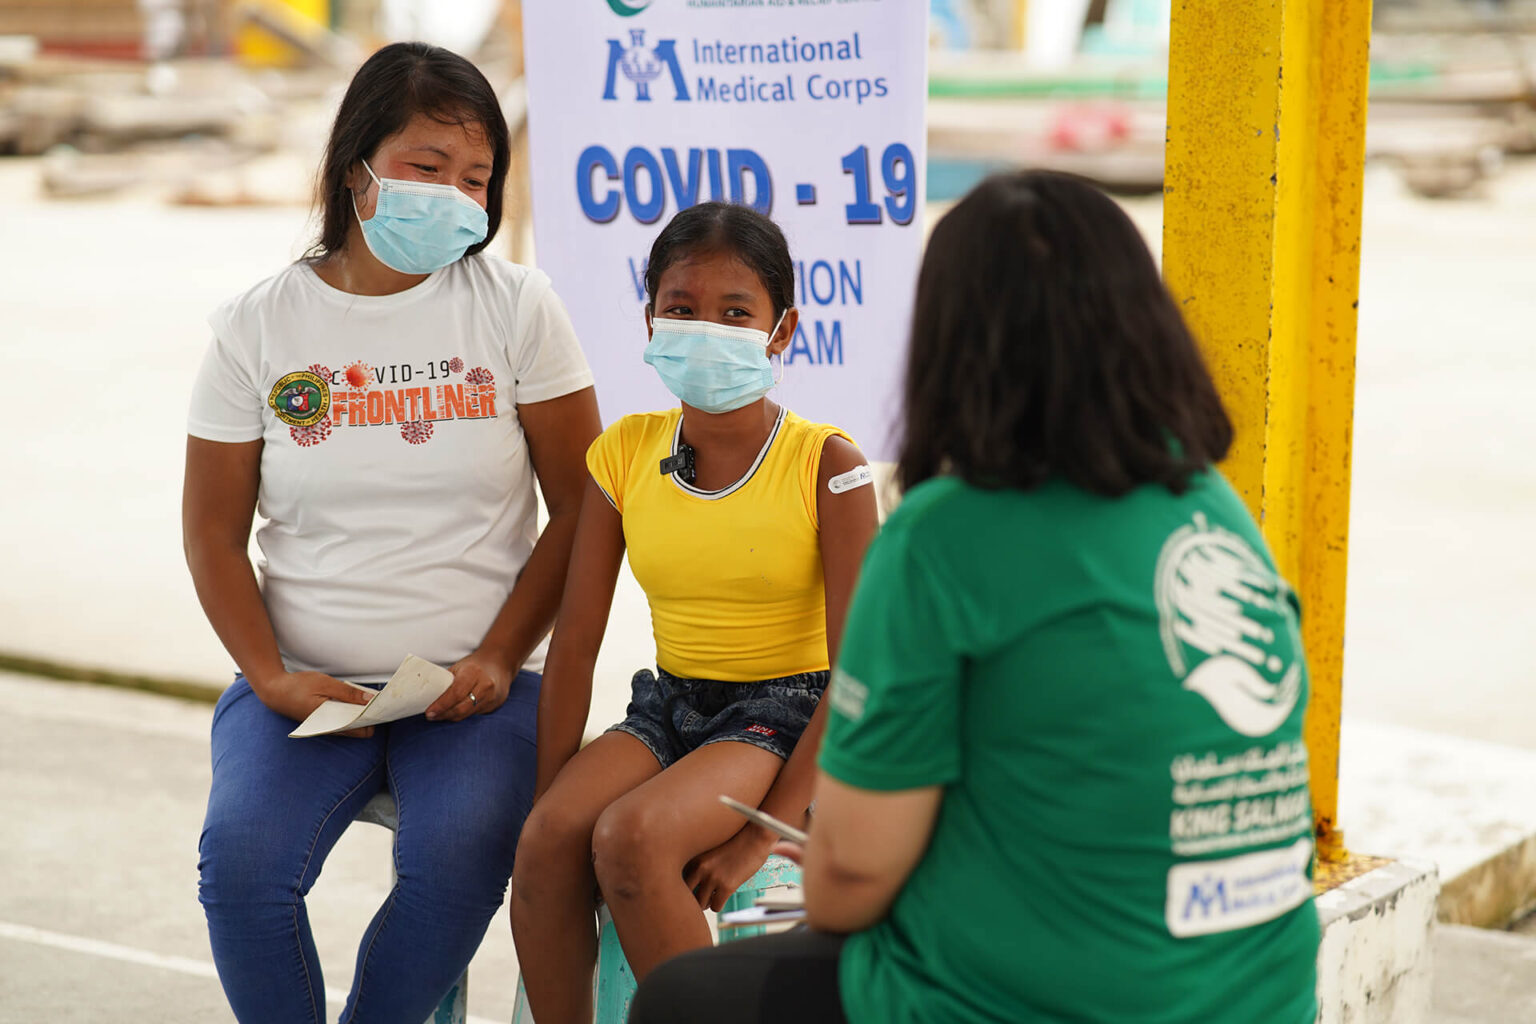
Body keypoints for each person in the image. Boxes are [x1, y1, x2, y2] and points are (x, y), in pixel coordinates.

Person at [630, 170, 1321, 1023]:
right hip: (1267, 991)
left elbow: (848, 881)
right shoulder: (1214, 511)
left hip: (1076, 998)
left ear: (953, 345)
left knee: (683, 1000)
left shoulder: (946, 536)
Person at [183, 42, 601, 1023]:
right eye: (427, 167)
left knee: (455, 863)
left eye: (476, 177)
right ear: (354, 170)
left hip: (475, 690)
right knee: (242, 870)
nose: (454, 195)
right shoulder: (257, 325)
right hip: (301, 683)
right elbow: (211, 531)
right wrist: (271, 672)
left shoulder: (517, 308)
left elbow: (584, 507)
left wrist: (502, 655)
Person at [509, 202, 880, 1024]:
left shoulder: (831, 465)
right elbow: (573, 648)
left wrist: (760, 835)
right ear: (649, 319)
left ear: (782, 331)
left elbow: (860, 675)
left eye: (736, 312)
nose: (704, 327)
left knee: (631, 839)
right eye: (680, 308)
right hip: (672, 701)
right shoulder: (624, 453)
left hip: (785, 711)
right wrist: (550, 802)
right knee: (547, 844)